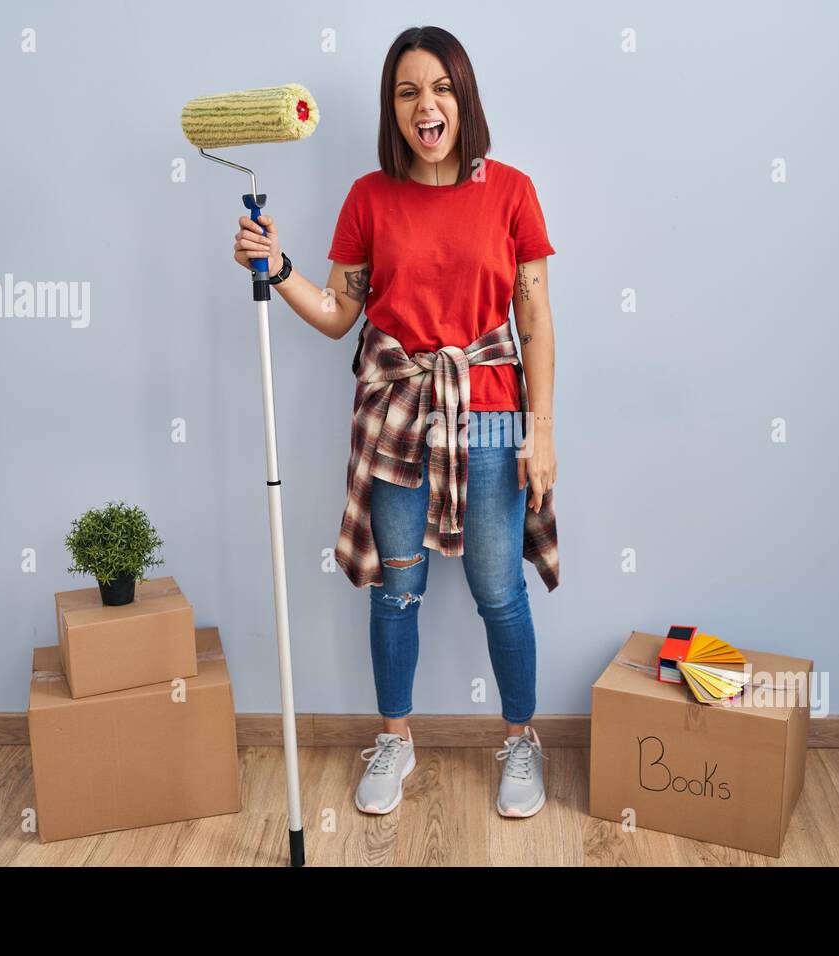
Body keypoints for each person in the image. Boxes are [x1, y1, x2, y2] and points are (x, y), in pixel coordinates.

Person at [232, 25, 559, 819]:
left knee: (499, 591)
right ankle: (396, 738)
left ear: (464, 97)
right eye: (408, 92)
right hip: (398, 421)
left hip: (487, 418)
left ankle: (522, 740)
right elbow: (340, 312)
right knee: (395, 591)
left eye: (441, 88)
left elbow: (536, 316)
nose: (427, 106)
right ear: (394, 108)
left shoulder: (511, 190)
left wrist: (539, 428)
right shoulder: (368, 197)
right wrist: (277, 270)